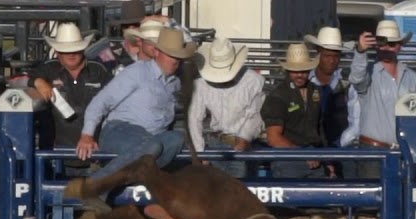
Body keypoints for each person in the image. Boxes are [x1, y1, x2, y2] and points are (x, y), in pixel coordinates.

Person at [76, 27, 197, 185]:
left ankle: (126, 178)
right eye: (171, 55)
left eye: (178, 57)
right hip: (120, 130)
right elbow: (102, 101)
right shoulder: (137, 72)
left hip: (151, 139)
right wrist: (87, 135)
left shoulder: (175, 83)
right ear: (157, 52)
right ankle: (97, 184)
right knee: (153, 146)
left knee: (177, 139)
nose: (175, 61)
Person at [348, 20, 416, 179]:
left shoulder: (412, 78)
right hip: (373, 151)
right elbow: (356, 79)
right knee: (372, 202)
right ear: (376, 46)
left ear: (399, 46)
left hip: (405, 151)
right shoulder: (368, 74)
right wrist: (360, 52)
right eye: (382, 44)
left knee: (402, 201)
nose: (386, 48)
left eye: (391, 44)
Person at [31, 23, 112, 176]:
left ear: (82, 49)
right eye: (65, 50)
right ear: (57, 51)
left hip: (95, 154)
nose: (71, 54)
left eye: (75, 49)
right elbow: (24, 77)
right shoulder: (47, 69)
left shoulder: (99, 71)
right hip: (58, 155)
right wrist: (37, 81)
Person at [188, 37, 264, 178]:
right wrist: (200, 152)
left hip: (243, 145)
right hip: (215, 142)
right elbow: (194, 118)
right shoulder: (201, 85)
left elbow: (255, 115)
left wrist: (244, 139)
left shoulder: (253, 81)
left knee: (237, 189)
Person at [261, 43, 329, 179]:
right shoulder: (278, 96)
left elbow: (320, 128)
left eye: (303, 70)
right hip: (288, 159)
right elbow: (274, 138)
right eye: (295, 70)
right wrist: (303, 154)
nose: (299, 75)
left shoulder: (315, 91)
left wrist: (327, 159)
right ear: (287, 71)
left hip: (314, 156)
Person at [304, 26, 357, 152]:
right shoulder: (305, 81)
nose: (332, 61)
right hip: (309, 148)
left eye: (336, 56)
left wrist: (338, 145)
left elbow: (356, 121)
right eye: (327, 56)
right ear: (318, 54)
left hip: (342, 149)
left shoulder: (348, 83)